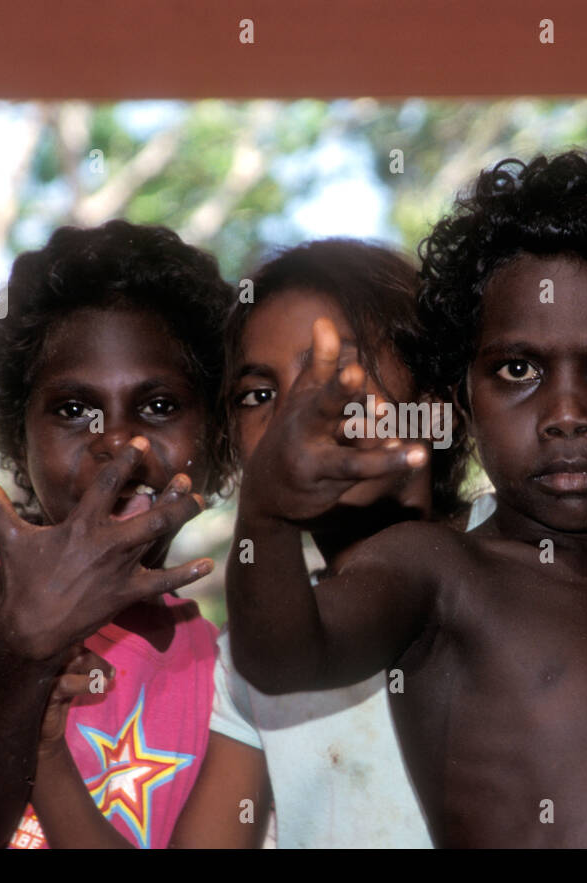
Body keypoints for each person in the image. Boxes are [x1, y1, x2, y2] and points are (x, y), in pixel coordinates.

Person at [227, 153, 587, 847]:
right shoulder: (438, 573)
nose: (566, 413)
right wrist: (267, 514)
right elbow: (282, 657)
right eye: (518, 369)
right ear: (462, 403)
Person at [0, 220, 231, 848]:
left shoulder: (210, 662)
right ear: (18, 438)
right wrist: (24, 651)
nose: (118, 441)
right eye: (73, 409)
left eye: (160, 405)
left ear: (215, 438)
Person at [178, 238, 474, 848]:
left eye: (338, 372)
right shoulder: (244, 662)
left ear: (434, 393)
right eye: (259, 396)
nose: (295, 417)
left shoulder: (520, 549)